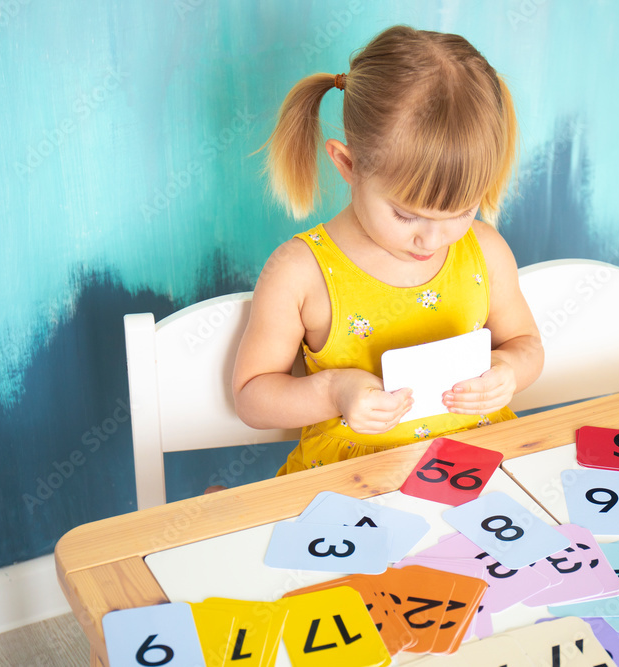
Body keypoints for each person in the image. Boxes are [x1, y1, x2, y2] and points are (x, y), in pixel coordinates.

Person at [232, 25, 544, 475]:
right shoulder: (300, 272)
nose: (433, 240)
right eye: (406, 215)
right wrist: (333, 391)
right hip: (352, 491)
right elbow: (252, 398)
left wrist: (508, 371)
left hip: (478, 474)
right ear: (347, 165)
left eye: (461, 211)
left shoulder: (486, 251)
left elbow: (527, 344)